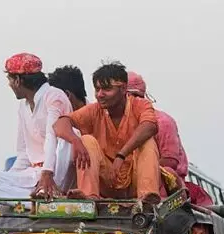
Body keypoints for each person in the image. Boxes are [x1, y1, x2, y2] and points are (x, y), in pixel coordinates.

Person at [53, 62, 161, 203]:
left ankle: (147, 197)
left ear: (123, 88)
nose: (100, 95)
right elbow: (60, 124)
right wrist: (75, 141)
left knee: (147, 142)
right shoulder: (94, 110)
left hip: (134, 180)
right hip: (107, 179)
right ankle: (89, 196)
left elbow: (150, 126)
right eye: (97, 89)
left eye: (106, 89)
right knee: (86, 140)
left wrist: (121, 155)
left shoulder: (140, 105)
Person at [0, 53, 75, 199]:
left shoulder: (54, 96)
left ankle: (45, 195)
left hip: (55, 172)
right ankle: (36, 200)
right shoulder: (23, 106)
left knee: (65, 139)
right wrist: (10, 178)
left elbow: (51, 136)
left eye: (9, 79)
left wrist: (47, 172)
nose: (9, 85)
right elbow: (24, 153)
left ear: (17, 80)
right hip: (33, 175)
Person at [126, 71, 189, 193]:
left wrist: (140, 174)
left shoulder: (163, 122)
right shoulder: (111, 122)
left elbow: (170, 162)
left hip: (162, 184)